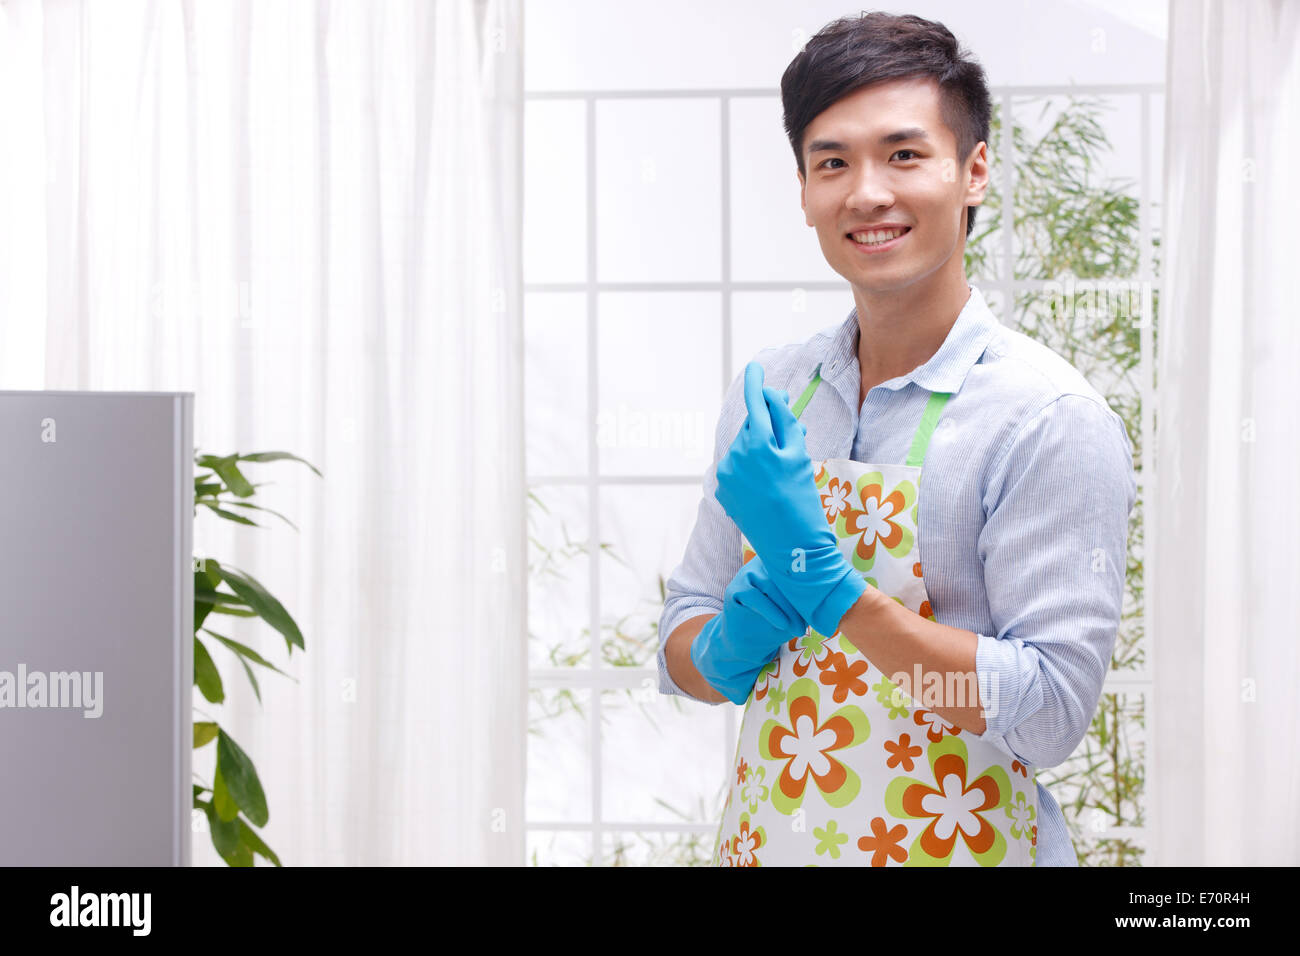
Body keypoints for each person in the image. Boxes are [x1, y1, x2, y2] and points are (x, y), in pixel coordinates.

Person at [657, 12, 1136, 867]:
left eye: (904, 155)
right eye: (831, 161)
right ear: (803, 190)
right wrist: (735, 639)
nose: (866, 192)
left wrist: (835, 593)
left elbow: (1054, 713)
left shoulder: (1045, 417)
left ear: (974, 171)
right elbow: (682, 640)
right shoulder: (773, 395)